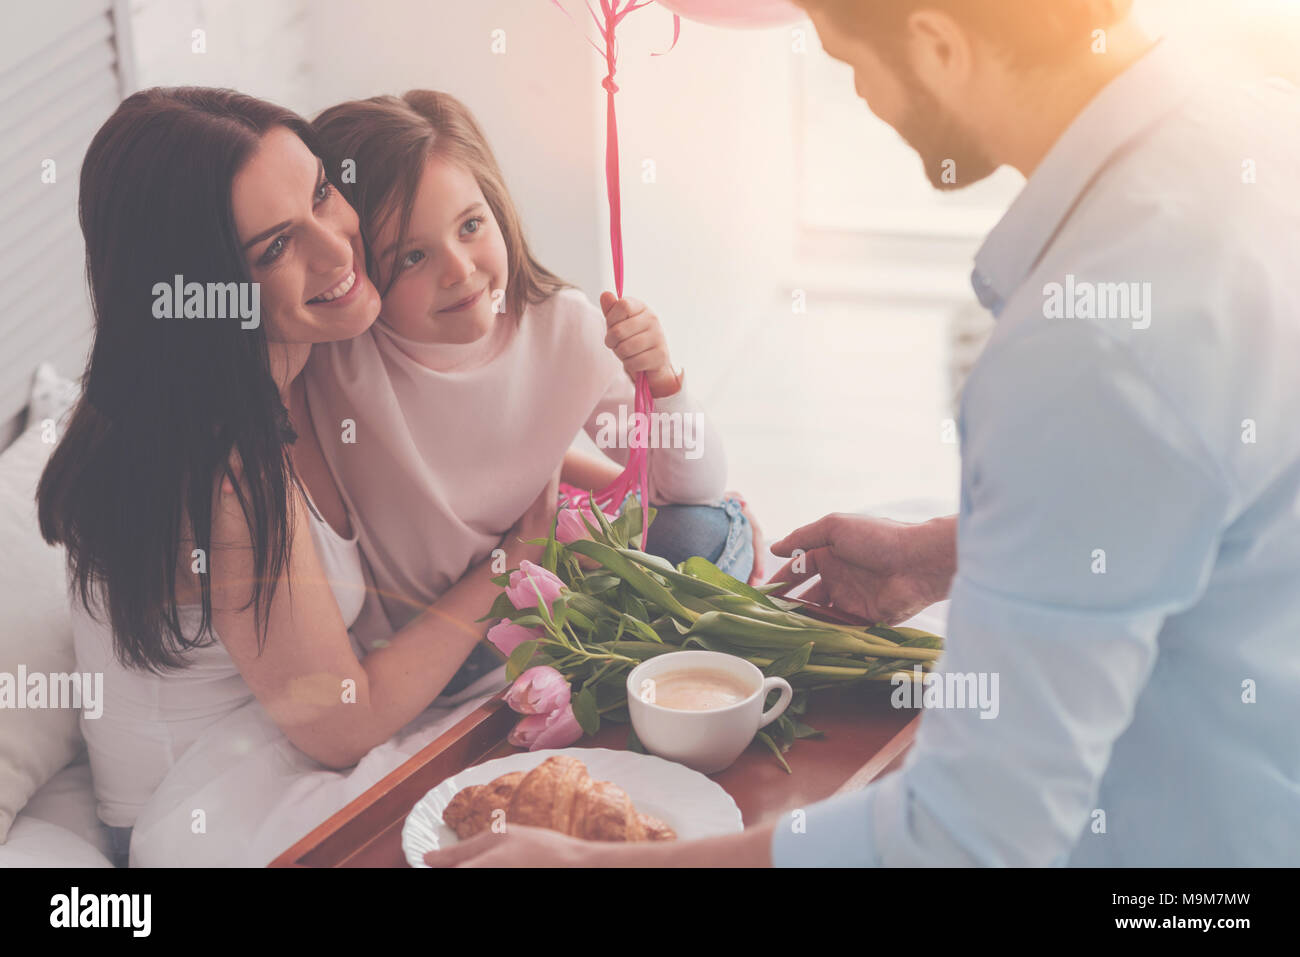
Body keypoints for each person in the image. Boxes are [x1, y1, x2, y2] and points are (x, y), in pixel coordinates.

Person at [425, 0, 1300, 867]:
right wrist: (941, 554)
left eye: (847, 61)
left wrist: (589, 864)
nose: (863, 97)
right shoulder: (1254, 123)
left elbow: (958, 840)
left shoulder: (1085, 348)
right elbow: (1217, 501)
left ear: (937, 44)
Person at [36, 87, 556, 867]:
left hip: (297, 754)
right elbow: (342, 719)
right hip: (217, 806)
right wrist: (515, 559)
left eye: (321, 192)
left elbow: (474, 431)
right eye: (276, 247)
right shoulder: (217, 467)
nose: (338, 248)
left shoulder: (304, 355)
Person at [304, 90, 760, 692]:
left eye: (471, 226)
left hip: (547, 593)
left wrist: (665, 380)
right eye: (412, 256)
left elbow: (688, 488)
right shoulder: (343, 358)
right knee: (702, 558)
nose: (460, 269)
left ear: (497, 208)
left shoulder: (562, 326)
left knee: (709, 528)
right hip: (444, 645)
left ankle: (580, 668)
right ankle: (582, 672)